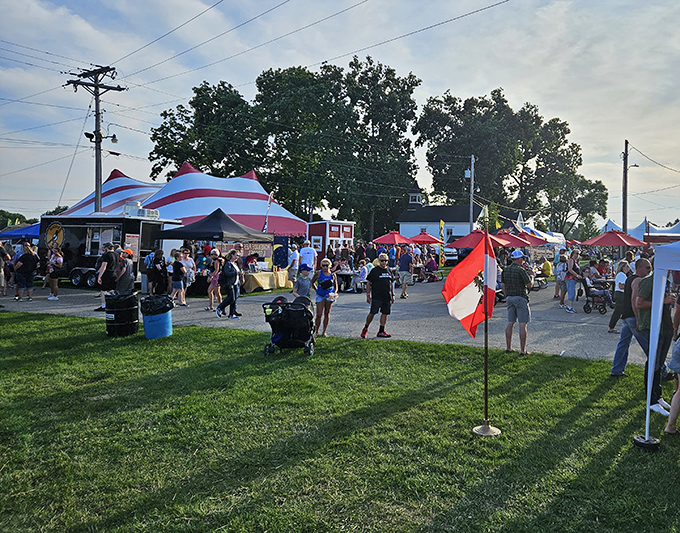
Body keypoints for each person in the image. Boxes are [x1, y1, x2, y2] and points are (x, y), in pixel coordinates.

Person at [635, 268, 675, 415]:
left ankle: (657, 396)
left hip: (665, 326)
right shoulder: (648, 281)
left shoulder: (665, 281)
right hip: (653, 326)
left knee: (659, 362)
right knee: (653, 361)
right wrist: (663, 301)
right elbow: (639, 303)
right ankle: (651, 400)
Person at [610, 258, 650, 377]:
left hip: (626, 316)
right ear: (639, 268)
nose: (650, 270)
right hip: (633, 317)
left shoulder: (630, 278)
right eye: (647, 268)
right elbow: (634, 301)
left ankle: (616, 370)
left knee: (623, 344)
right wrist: (638, 320)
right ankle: (661, 370)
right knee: (647, 344)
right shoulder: (637, 280)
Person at [501, 250, 534, 355]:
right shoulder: (521, 270)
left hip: (510, 298)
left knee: (510, 322)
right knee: (522, 324)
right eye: (522, 258)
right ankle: (523, 350)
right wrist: (532, 276)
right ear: (519, 259)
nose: (523, 260)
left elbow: (503, 285)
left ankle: (508, 347)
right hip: (520, 297)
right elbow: (529, 285)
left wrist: (506, 295)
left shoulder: (505, 270)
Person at [361, 253, 394, 339]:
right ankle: (365, 328)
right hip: (377, 296)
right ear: (379, 261)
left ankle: (381, 330)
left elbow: (391, 283)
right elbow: (368, 283)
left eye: (386, 261)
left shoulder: (389, 270)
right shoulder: (375, 271)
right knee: (372, 313)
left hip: (387, 296)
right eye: (382, 260)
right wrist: (368, 295)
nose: (384, 262)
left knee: (385, 313)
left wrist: (393, 294)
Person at [311, 258, 338, 337]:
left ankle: (324, 332)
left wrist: (334, 293)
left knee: (327, 313)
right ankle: (316, 331)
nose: (325, 267)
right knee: (319, 314)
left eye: (327, 265)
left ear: (330, 266)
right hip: (320, 295)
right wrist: (316, 290)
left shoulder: (333, 275)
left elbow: (336, 286)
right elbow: (312, 282)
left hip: (329, 296)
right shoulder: (318, 273)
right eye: (323, 265)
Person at [216, 249, 243, 319]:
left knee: (235, 298)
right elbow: (227, 273)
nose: (237, 257)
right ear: (232, 255)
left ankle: (232, 314)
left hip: (236, 283)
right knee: (231, 298)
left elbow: (238, 272)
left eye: (238, 256)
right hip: (229, 283)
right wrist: (237, 273)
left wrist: (241, 275)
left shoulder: (235, 264)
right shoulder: (228, 263)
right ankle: (220, 308)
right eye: (236, 255)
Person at [95, 243, 119, 311]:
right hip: (114, 273)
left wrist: (99, 276)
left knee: (103, 290)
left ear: (106, 248)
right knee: (111, 290)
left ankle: (104, 305)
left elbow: (104, 266)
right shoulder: (116, 255)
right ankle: (111, 305)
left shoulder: (106, 255)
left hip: (107, 274)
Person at [608, 261, 629, 333]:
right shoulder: (621, 275)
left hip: (620, 293)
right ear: (623, 267)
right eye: (627, 266)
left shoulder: (622, 275)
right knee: (618, 311)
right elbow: (621, 286)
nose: (628, 268)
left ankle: (625, 326)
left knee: (622, 311)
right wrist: (629, 286)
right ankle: (611, 327)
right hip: (620, 294)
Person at [564, 249, 582, 314]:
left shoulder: (575, 261)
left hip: (573, 279)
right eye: (576, 253)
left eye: (578, 254)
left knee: (572, 293)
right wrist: (577, 275)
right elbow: (570, 269)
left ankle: (570, 306)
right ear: (573, 253)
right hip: (570, 278)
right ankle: (569, 307)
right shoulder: (571, 260)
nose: (577, 255)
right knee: (571, 293)